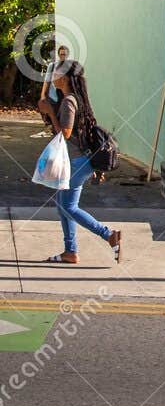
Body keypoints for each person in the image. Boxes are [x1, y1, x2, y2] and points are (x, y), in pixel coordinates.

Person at [40, 59, 121, 265]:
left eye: (56, 73)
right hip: (79, 161)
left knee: (69, 207)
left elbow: (65, 134)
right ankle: (70, 252)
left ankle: (109, 235)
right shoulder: (74, 98)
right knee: (62, 206)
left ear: (65, 78)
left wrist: (50, 113)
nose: (53, 77)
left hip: (75, 163)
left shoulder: (69, 101)